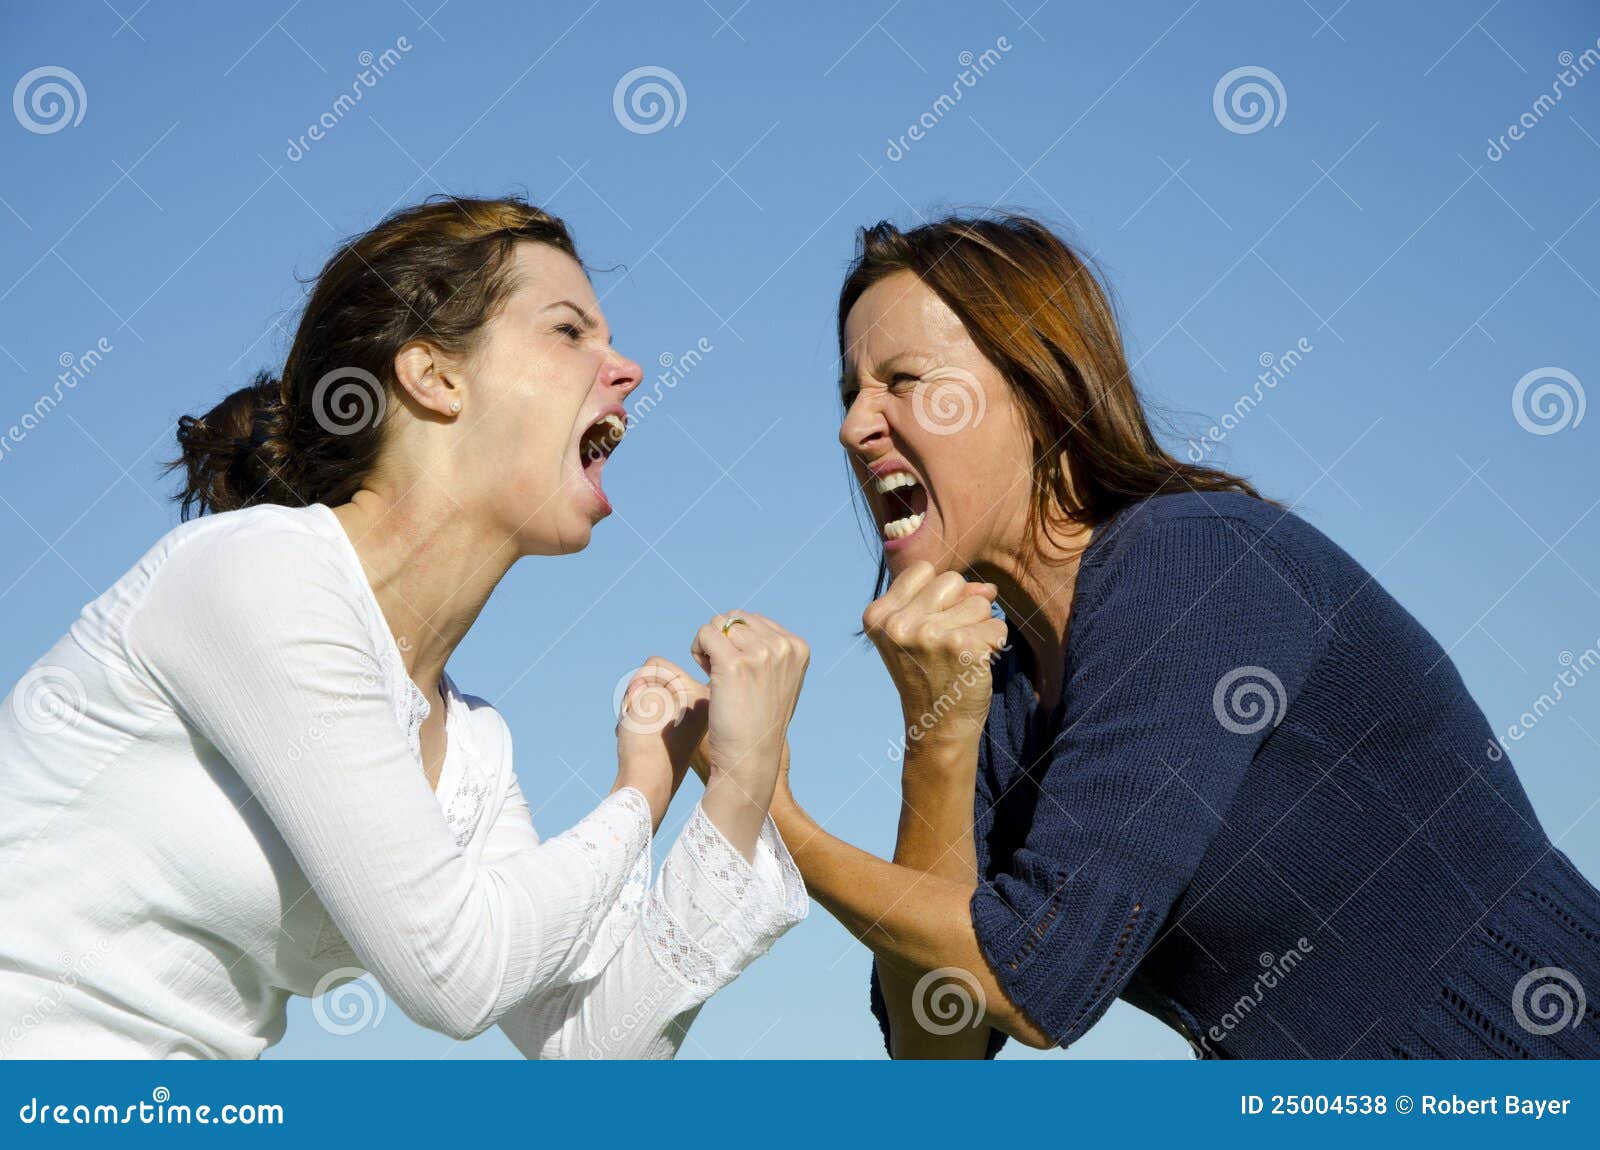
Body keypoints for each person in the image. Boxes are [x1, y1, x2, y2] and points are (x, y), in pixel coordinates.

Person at [768, 213, 1600, 1059]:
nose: (854, 427)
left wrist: (770, 814)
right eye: (850, 395)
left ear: (1037, 387)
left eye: (904, 379)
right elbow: (937, 1053)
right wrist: (937, 742)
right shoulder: (1006, 696)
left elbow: (1038, 977)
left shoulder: (1192, 562)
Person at [0, 196, 808, 1059]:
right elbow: (452, 973)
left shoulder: (472, 747)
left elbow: (587, 1051)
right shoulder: (261, 573)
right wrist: (641, 791)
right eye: (570, 331)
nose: (629, 369)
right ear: (434, 376)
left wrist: (739, 781)